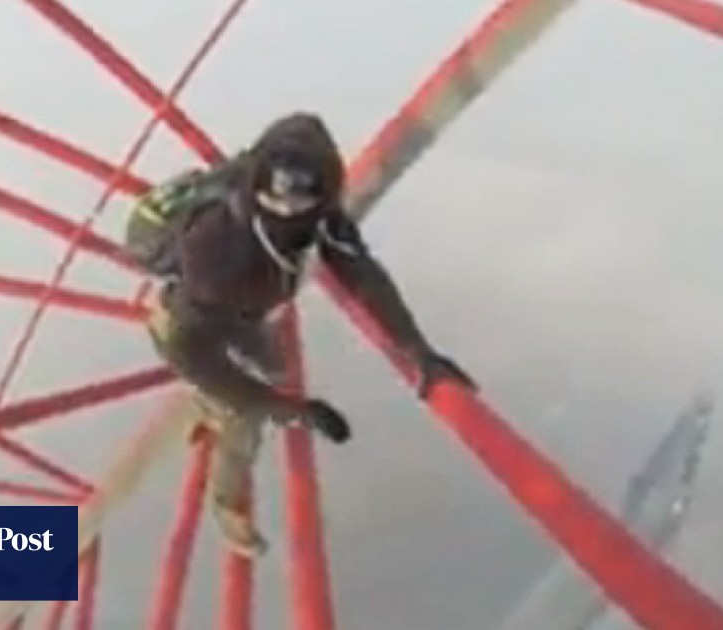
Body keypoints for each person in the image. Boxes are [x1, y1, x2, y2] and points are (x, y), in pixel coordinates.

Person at [123, 112, 474, 556]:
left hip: (241, 305)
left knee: (273, 363)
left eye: (303, 192)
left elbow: (360, 273)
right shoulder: (216, 246)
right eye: (278, 191)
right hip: (190, 324)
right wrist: (283, 407)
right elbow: (191, 353)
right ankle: (229, 506)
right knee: (241, 414)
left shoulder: (316, 209)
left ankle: (246, 388)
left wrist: (418, 351)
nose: (287, 205)